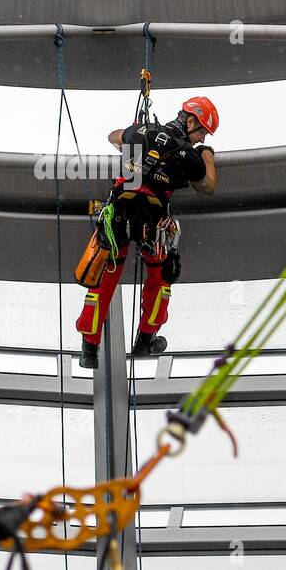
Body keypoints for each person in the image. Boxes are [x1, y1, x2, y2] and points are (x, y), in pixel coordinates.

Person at [76, 96, 218, 369]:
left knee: (103, 282)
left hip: (119, 214)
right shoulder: (188, 154)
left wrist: (137, 141)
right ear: (190, 121)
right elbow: (208, 186)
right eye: (201, 132)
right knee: (161, 279)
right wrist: (207, 153)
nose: (200, 139)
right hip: (152, 224)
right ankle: (145, 340)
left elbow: (113, 137)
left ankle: (89, 349)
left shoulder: (143, 131)